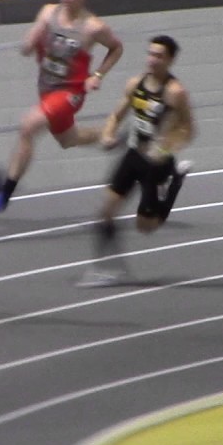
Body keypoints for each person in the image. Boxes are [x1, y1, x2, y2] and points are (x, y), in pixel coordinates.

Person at [0, 0, 124, 216]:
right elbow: (27, 45)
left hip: (71, 92)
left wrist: (98, 75)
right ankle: (105, 136)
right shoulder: (49, 13)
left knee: (28, 126)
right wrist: (29, 42)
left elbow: (116, 48)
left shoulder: (93, 27)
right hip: (46, 88)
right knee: (67, 140)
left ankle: (5, 194)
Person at [78, 35, 195, 288]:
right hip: (133, 156)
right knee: (106, 212)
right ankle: (107, 269)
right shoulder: (135, 84)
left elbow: (188, 129)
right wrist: (108, 135)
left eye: (159, 56)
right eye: (150, 54)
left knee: (146, 227)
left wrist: (166, 148)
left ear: (170, 60)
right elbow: (116, 115)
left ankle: (174, 184)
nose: (152, 60)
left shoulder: (175, 93)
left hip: (158, 163)